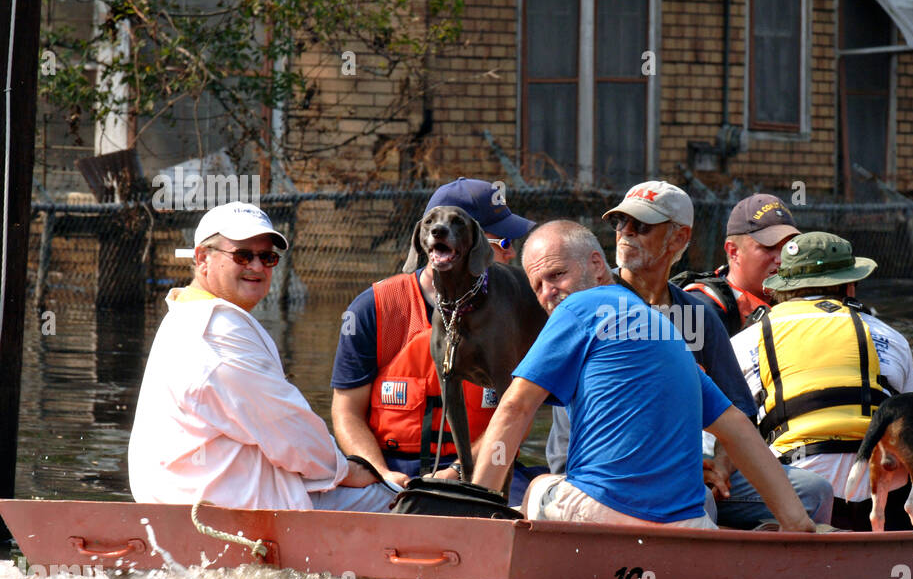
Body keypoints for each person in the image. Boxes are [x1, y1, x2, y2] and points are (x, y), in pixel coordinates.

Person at [471, 220, 815, 532]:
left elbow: (515, 407)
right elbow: (738, 427)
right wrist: (797, 523)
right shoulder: (665, 330)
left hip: (603, 515)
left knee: (538, 487)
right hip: (689, 527)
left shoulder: (577, 307)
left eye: (557, 275)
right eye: (537, 286)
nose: (548, 293)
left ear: (596, 265)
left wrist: (474, 511)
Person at [546, 180, 832, 527]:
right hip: (604, 467)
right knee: (696, 502)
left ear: (679, 238)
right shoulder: (591, 308)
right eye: (620, 223)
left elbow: (740, 410)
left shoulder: (700, 316)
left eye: (641, 226)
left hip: (697, 466)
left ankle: (770, 568)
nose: (625, 234)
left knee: (814, 491)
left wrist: (722, 469)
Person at [128, 202, 393, 511]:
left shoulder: (187, 313)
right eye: (242, 255)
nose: (257, 267)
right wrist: (349, 471)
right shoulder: (217, 332)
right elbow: (288, 429)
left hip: (198, 494)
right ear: (202, 258)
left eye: (267, 257)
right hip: (219, 507)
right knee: (395, 501)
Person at [330, 178, 538, 502]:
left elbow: (521, 413)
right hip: (390, 470)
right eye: (506, 241)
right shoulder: (374, 307)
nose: (512, 253)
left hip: (486, 464)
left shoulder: (522, 305)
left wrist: (459, 472)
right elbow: (346, 412)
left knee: (533, 508)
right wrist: (380, 473)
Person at [731, 231, 913, 528]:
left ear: (782, 288)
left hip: (799, 497)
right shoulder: (891, 338)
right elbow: (910, 424)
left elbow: (728, 431)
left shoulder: (745, 342)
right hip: (885, 501)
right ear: (850, 285)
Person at [677, 193, 800, 335]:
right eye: (769, 247)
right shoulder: (701, 306)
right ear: (733, 251)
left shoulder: (798, 301)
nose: (780, 259)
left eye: (788, 248)